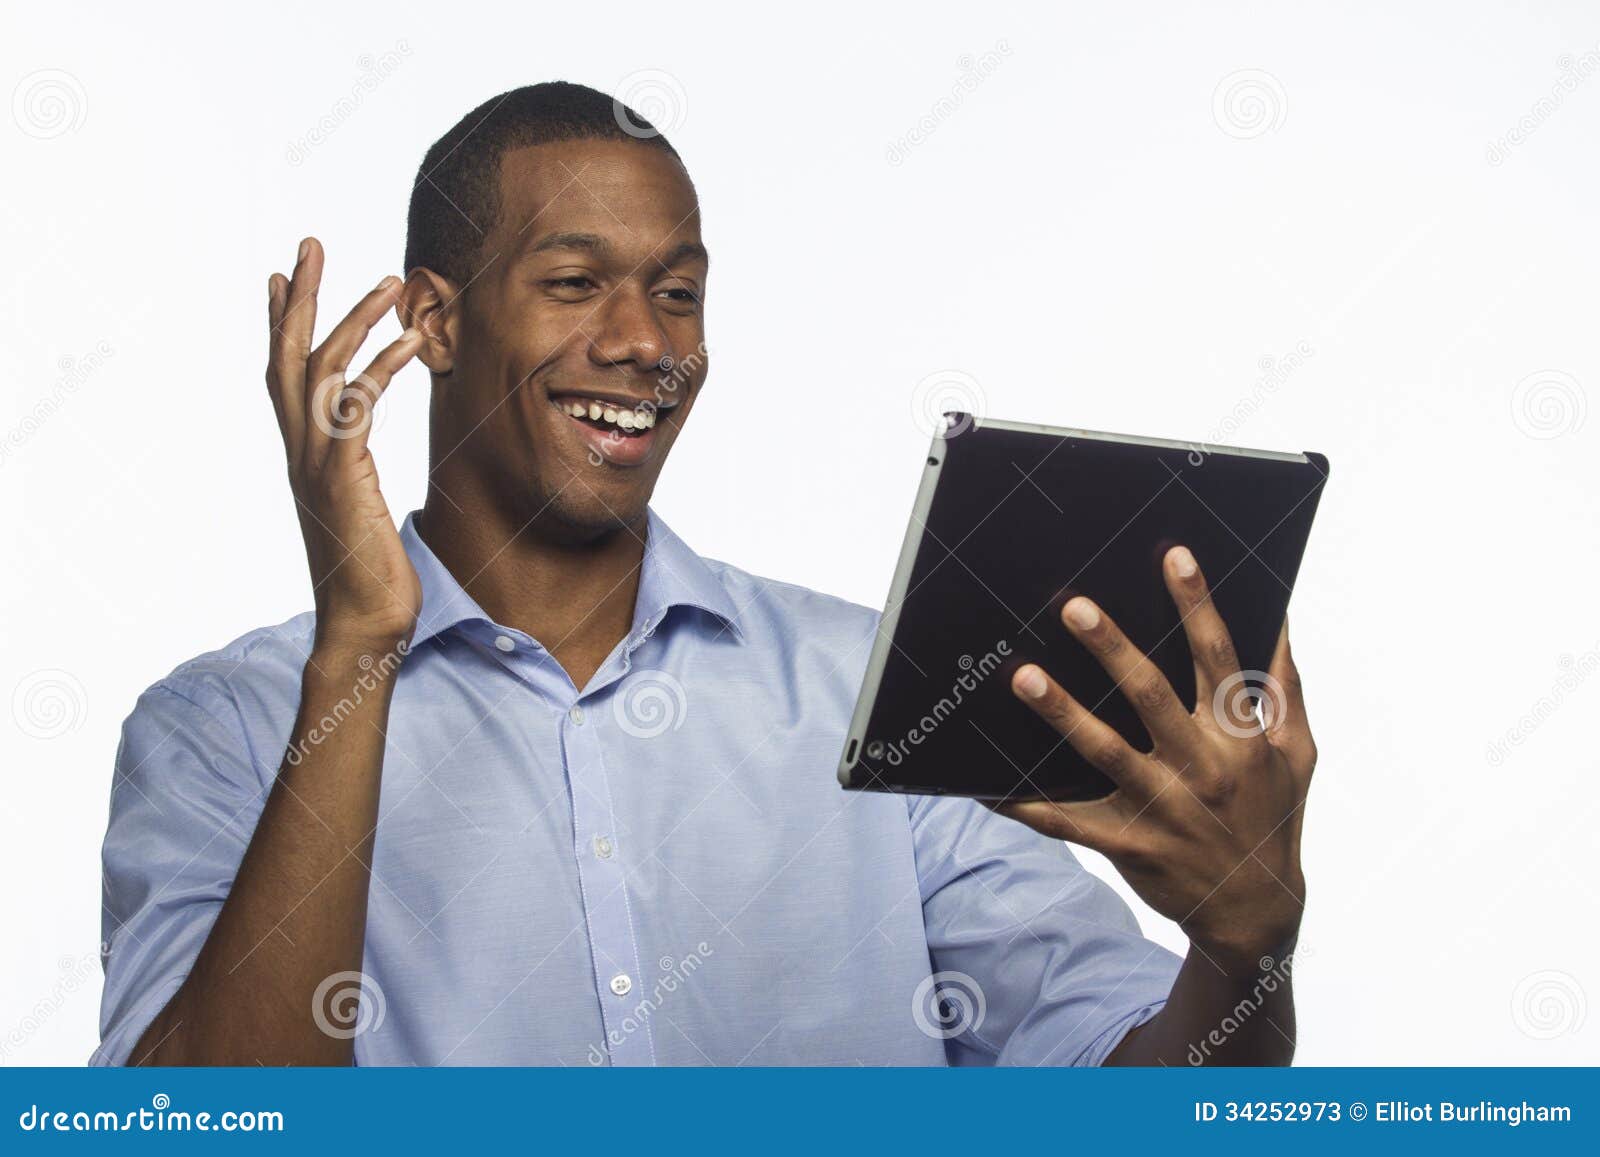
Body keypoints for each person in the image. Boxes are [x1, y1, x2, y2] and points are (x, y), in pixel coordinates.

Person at [95, 82, 1316, 1067]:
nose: (643, 341)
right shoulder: (226, 730)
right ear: (437, 320)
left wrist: (1240, 946)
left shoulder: (881, 691)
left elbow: (1138, 1094)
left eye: (676, 292)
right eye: (575, 283)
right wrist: (360, 645)